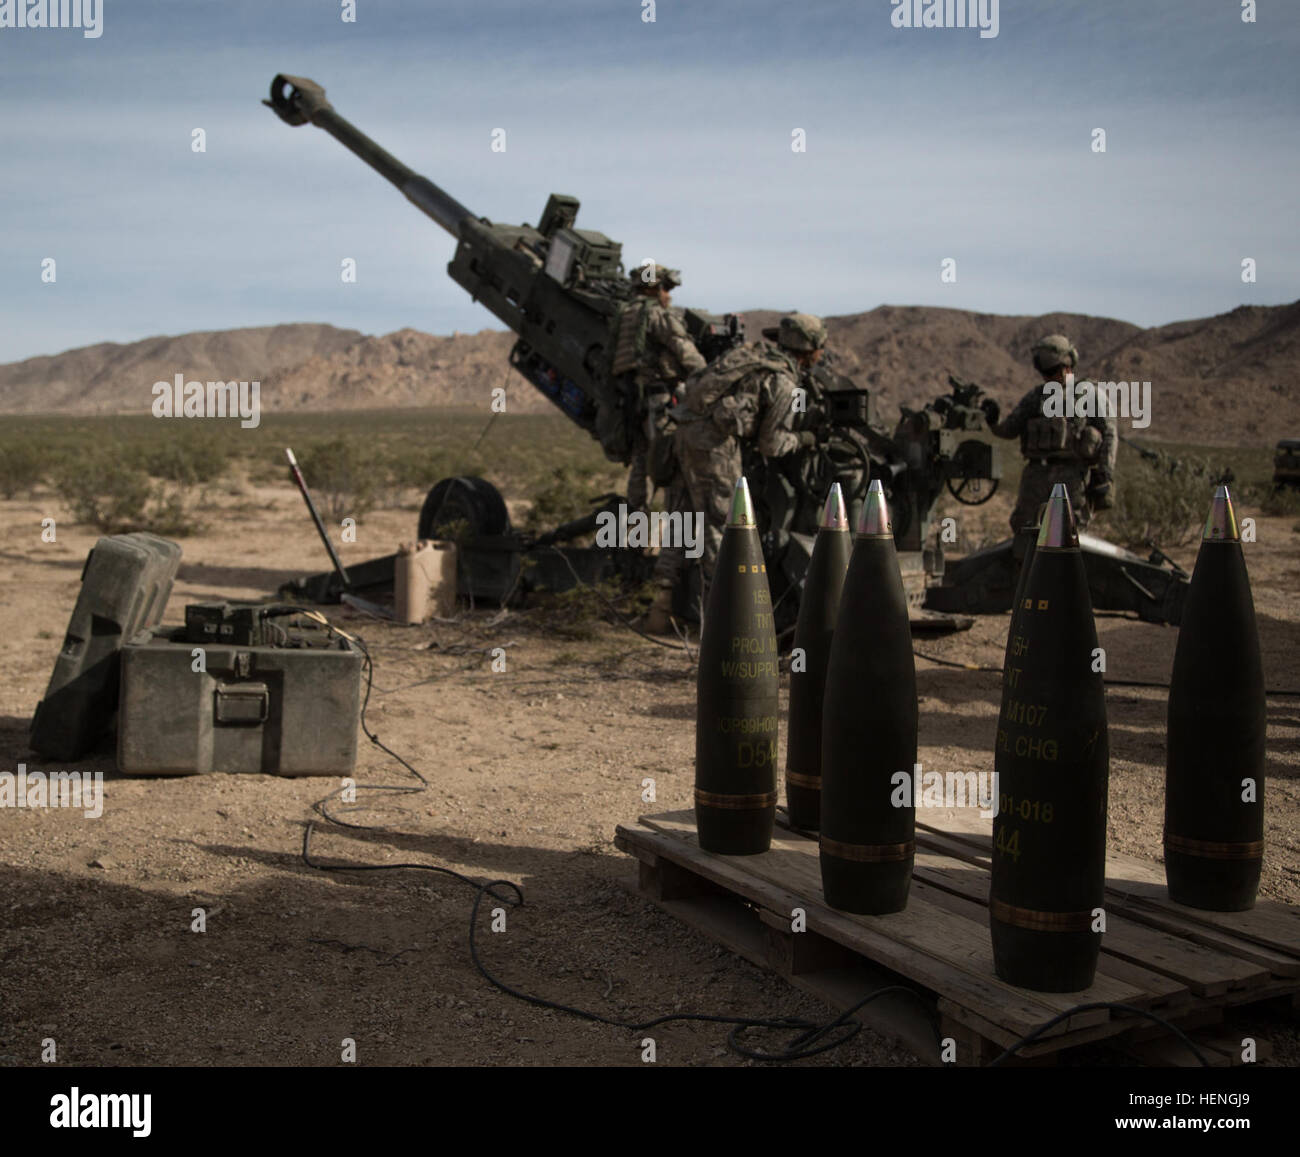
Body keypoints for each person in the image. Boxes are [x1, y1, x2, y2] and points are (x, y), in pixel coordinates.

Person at [647, 314, 825, 630]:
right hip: (713, 445)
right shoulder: (782, 382)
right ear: (807, 350)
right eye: (819, 347)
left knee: (684, 518)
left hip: (685, 434)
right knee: (723, 528)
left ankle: (660, 609)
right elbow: (772, 444)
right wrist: (805, 439)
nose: (822, 354)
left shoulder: (753, 355)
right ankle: (723, 626)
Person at [988, 333, 1117, 535]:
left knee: (1068, 535)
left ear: (1068, 367)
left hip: (1072, 477)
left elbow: (1109, 434)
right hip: (1035, 477)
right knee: (1024, 531)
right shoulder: (1036, 397)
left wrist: (1105, 474)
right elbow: (1009, 429)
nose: (1048, 377)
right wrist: (992, 420)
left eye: (1053, 371)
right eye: (1044, 373)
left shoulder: (1088, 394)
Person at [607, 262, 706, 514]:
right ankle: (676, 535)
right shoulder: (657, 315)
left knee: (642, 462)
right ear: (654, 289)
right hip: (660, 400)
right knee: (668, 461)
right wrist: (708, 379)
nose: (668, 295)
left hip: (634, 401)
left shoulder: (626, 314)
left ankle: (634, 529)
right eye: (666, 289)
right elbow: (686, 352)